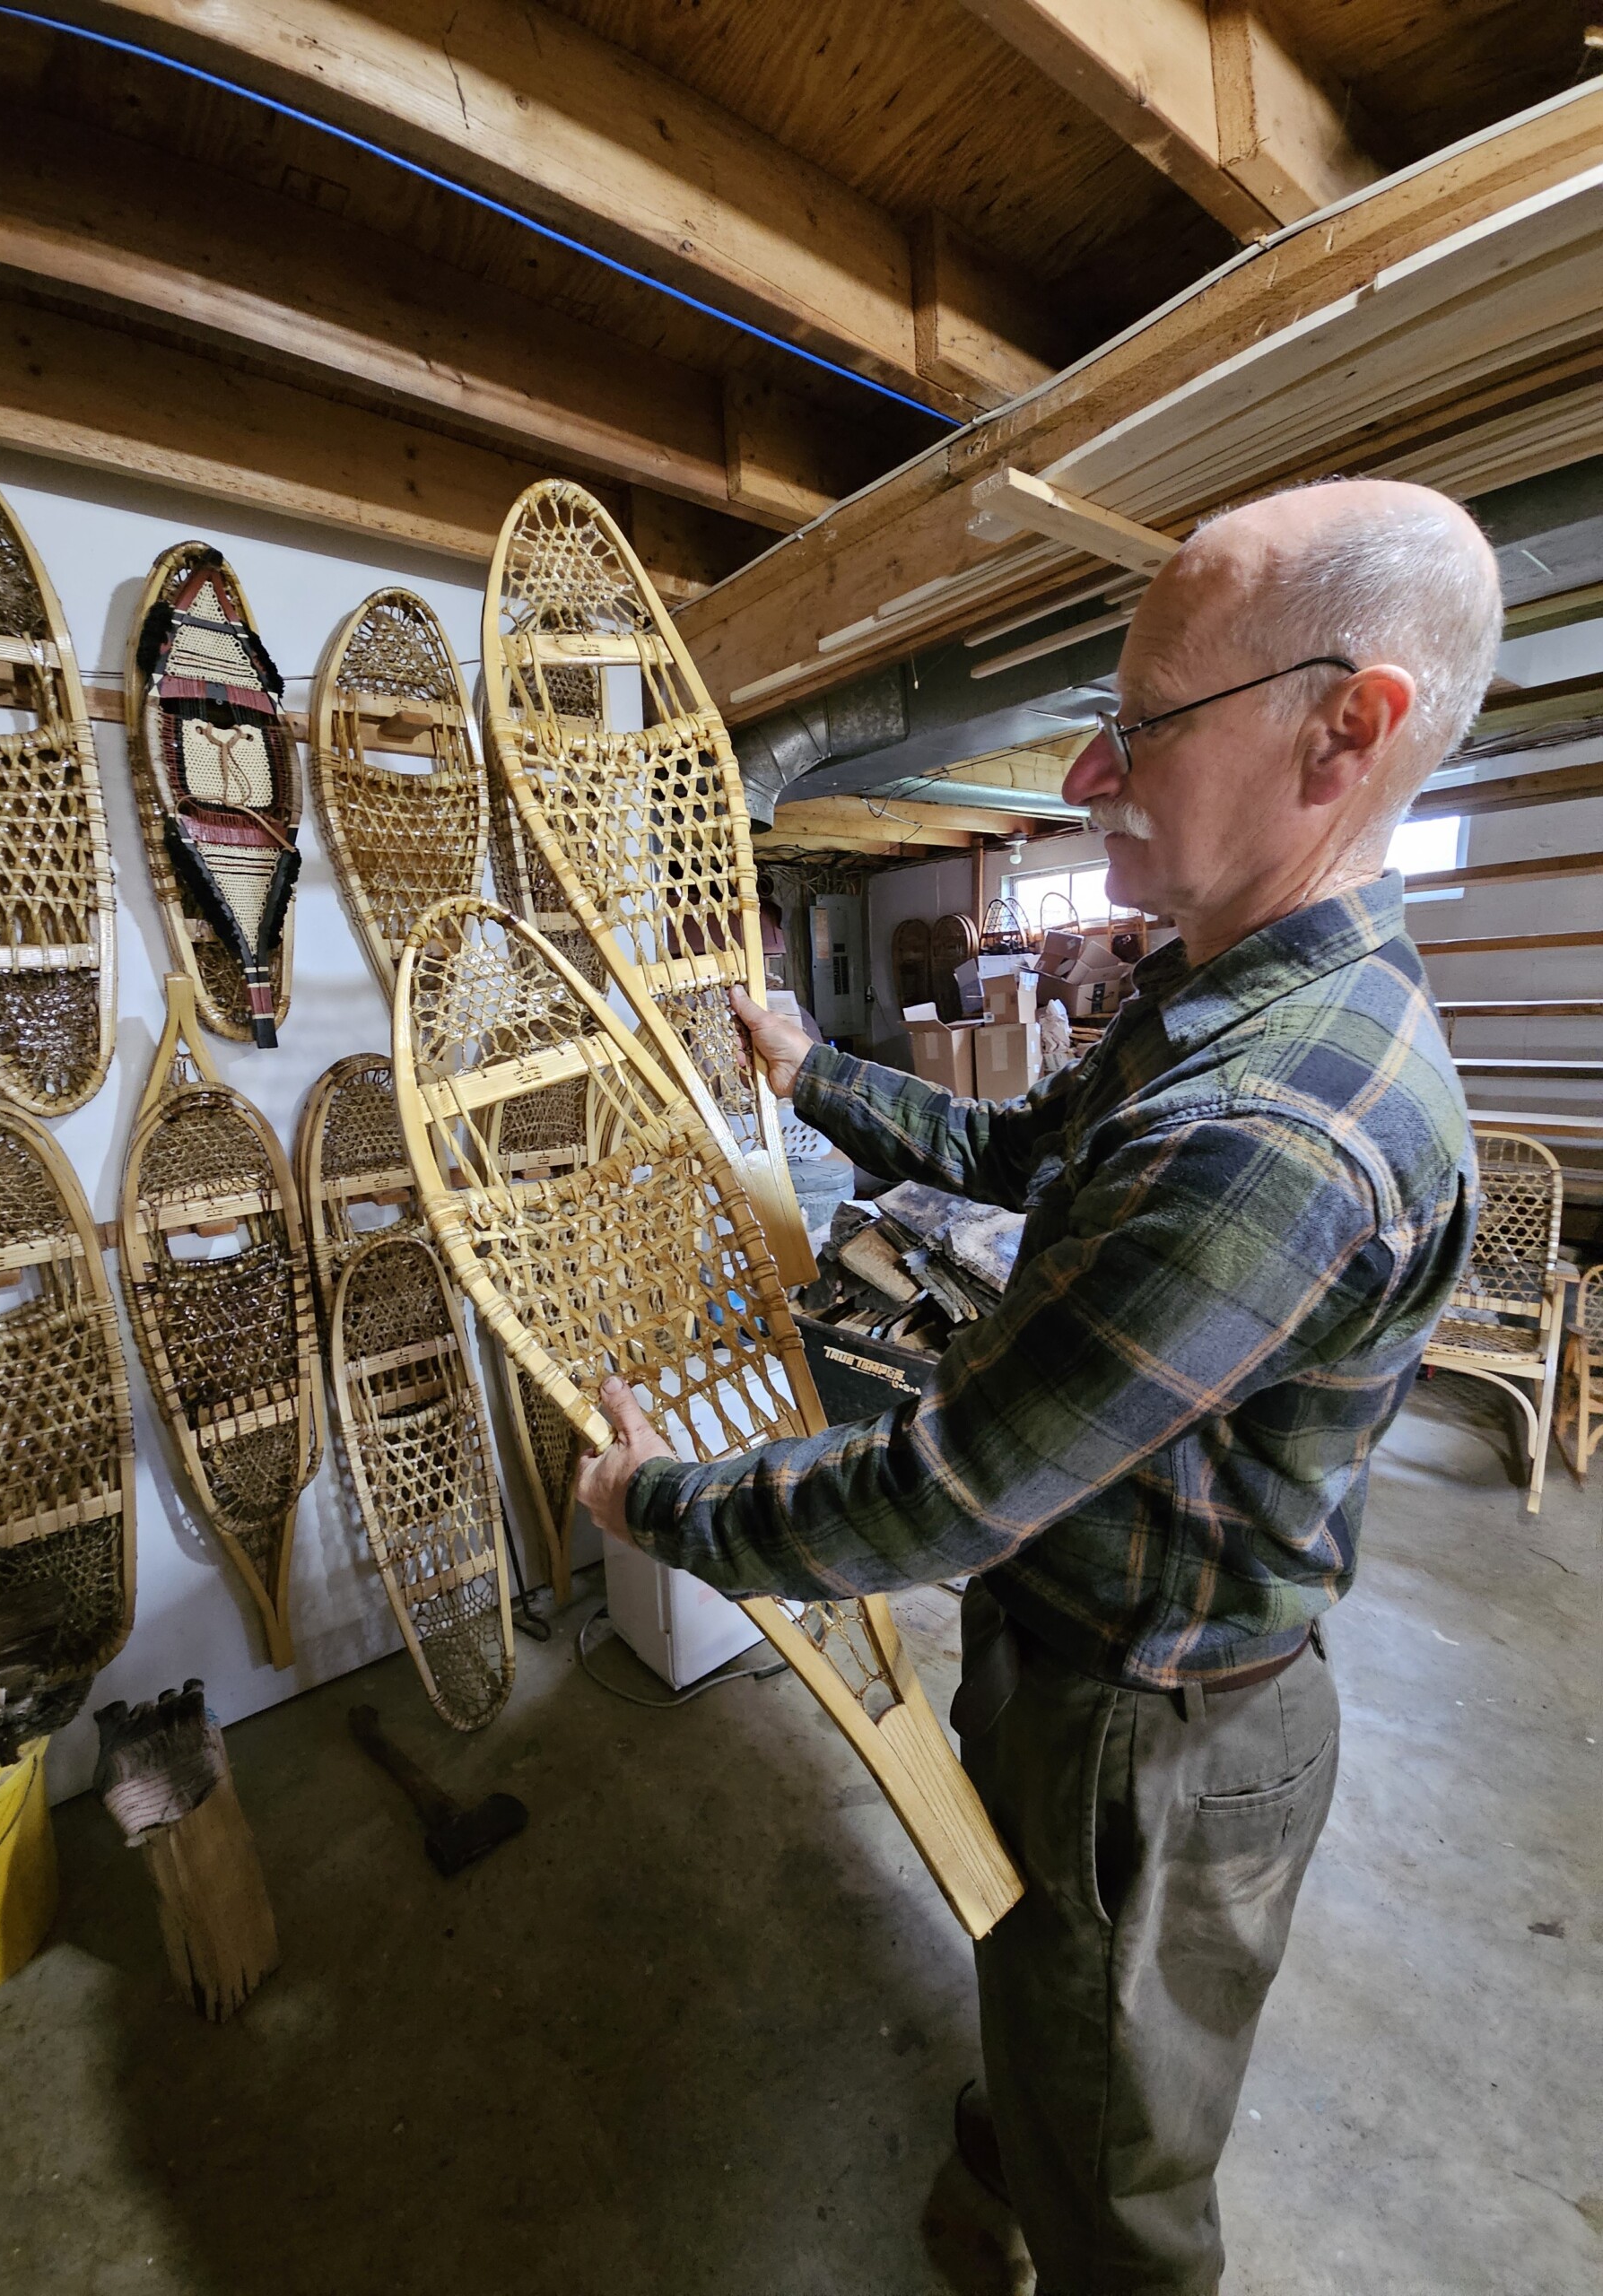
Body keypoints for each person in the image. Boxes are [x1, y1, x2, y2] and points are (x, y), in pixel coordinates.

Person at [576, 477, 1500, 2296]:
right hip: (1083, 1650)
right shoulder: (1221, 997)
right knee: (1053, 2016)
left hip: (1154, 1734)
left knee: (1126, 2187)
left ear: (1346, 728)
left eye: (1143, 723)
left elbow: (935, 1490)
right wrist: (812, 1060)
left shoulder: (1279, 1132)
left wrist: (653, 1500)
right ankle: (1005, 2160)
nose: (1088, 777)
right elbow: (1012, 1149)